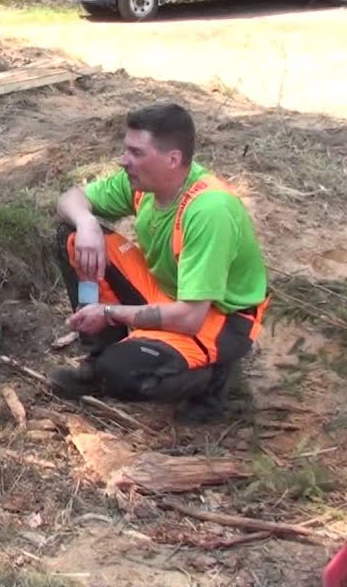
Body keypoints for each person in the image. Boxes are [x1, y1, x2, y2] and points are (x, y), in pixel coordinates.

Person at [50, 102, 269, 424]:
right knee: (71, 237)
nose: (124, 161)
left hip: (218, 317)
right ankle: (100, 357)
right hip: (169, 294)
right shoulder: (144, 184)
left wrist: (109, 313)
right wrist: (86, 223)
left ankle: (214, 381)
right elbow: (70, 198)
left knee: (123, 373)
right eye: (126, 150)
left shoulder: (209, 211)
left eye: (136, 153)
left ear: (173, 160)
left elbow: (191, 317)